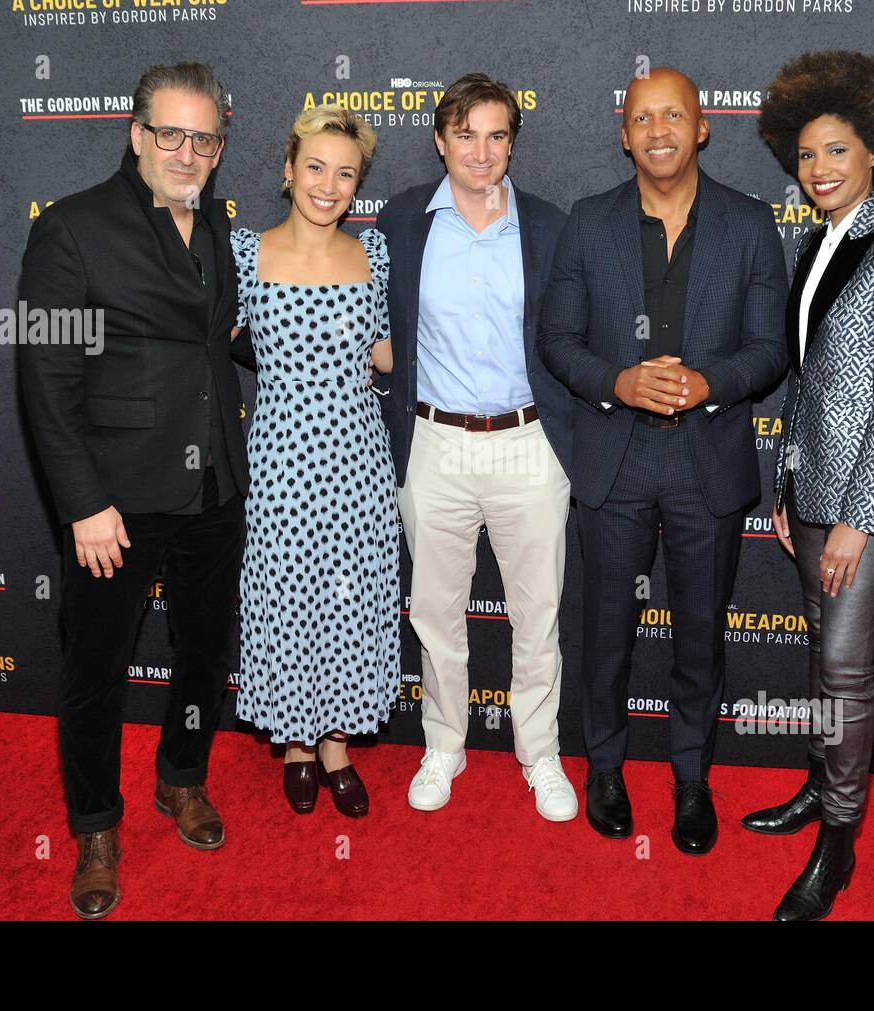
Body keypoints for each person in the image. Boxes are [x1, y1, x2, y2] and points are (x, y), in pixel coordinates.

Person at [538, 67, 788, 854]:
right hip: (613, 462)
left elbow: (770, 350)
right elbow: (557, 341)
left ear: (702, 127)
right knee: (605, 633)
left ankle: (690, 778)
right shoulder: (588, 222)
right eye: (642, 117)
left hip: (705, 463)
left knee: (700, 638)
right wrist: (618, 380)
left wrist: (711, 382)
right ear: (624, 134)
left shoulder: (750, 224)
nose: (658, 130)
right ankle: (604, 769)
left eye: (673, 115)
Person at [18, 62, 246, 920]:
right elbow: (44, 373)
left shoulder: (217, 223)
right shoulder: (72, 228)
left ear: (220, 146)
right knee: (96, 670)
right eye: (171, 135)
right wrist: (82, 501)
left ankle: (182, 778)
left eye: (205, 139)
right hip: (116, 499)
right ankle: (96, 825)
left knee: (202, 651)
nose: (188, 153)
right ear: (136, 132)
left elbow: (214, 339)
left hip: (216, 484)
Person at [745, 50, 874, 920]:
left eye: (837, 151)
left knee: (844, 668)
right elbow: (807, 381)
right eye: (806, 156)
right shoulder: (814, 240)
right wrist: (789, 488)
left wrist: (860, 520)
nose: (819, 169)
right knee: (824, 667)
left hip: (872, 502)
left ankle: (839, 839)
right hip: (812, 495)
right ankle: (818, 789)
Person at [374, 73, 577, 820]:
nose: (481, 151)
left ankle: (541, 754)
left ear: (513, 141)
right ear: (439, 140)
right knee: (435, 611)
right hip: (433, 440)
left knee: (539, 614)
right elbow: (370, 322)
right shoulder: (402, 222)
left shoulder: (552, 226)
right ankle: (444, 744)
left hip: (529, 442)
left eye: (495, 135)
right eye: (465, 134)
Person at [229, 104, 398, 820]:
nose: (328, 185)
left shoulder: (374, 254)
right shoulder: (244, 252)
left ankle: (336, 745)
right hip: (281, 461)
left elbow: (386, 353)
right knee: (289, 595)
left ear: (359, 184)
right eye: (316, 167)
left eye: (346, 174)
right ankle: (297, 745)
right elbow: (223, 340)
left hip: (357, 460)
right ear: (288, 170)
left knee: (349, 596)